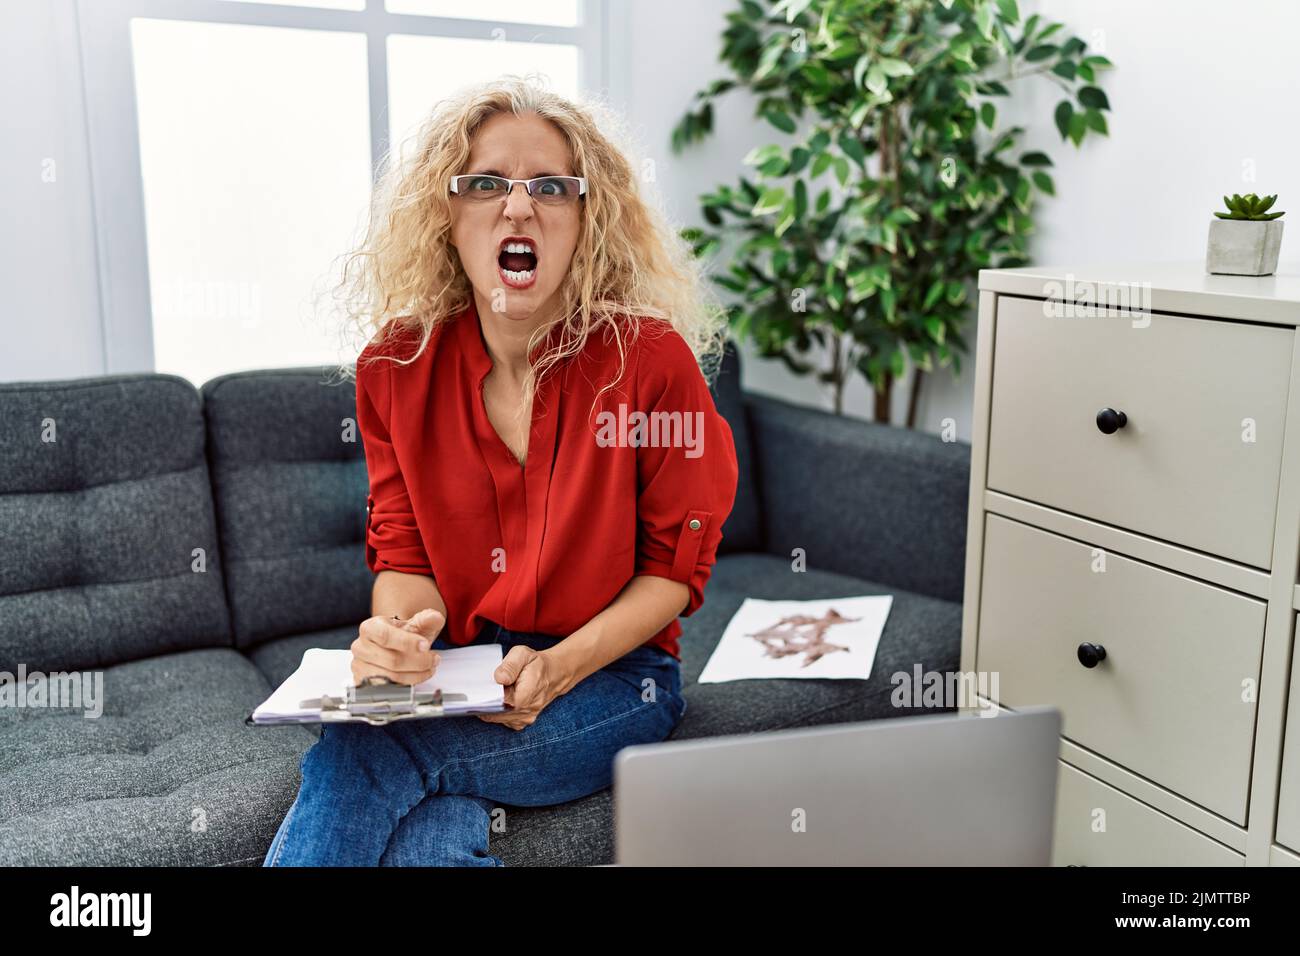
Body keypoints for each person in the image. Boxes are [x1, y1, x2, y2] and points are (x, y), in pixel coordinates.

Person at [263, 74, 739, 866]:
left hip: (615, 679)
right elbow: (405, 558)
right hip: (463, 673)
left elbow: (672, 578)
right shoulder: (394, 365)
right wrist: (405, 633)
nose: (518, 208)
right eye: (486, 184)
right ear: (447, 218)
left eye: (551, 187)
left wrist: (558, 665)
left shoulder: (652, 364)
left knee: (363, 750)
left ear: (588, 219)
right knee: (426, 825)